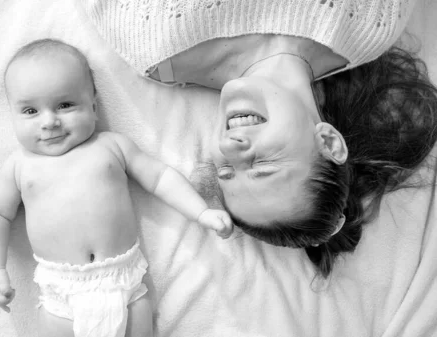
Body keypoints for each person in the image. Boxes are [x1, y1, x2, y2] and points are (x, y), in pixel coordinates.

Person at [85, 0, 437, 276]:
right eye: (262, 164)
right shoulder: (373, 26)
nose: (228, 147)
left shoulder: (143, 36)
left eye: (225, 172)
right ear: (329, 141)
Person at [0, 39, 233, 337]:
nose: (49, 121)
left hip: (123, 282)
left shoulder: (111, 146)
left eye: (65, 105)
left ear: (94, 106)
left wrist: (202, 212)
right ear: (12, 115)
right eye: (30, 111)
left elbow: (160, 177)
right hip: (62, 290)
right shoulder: (20, 165)